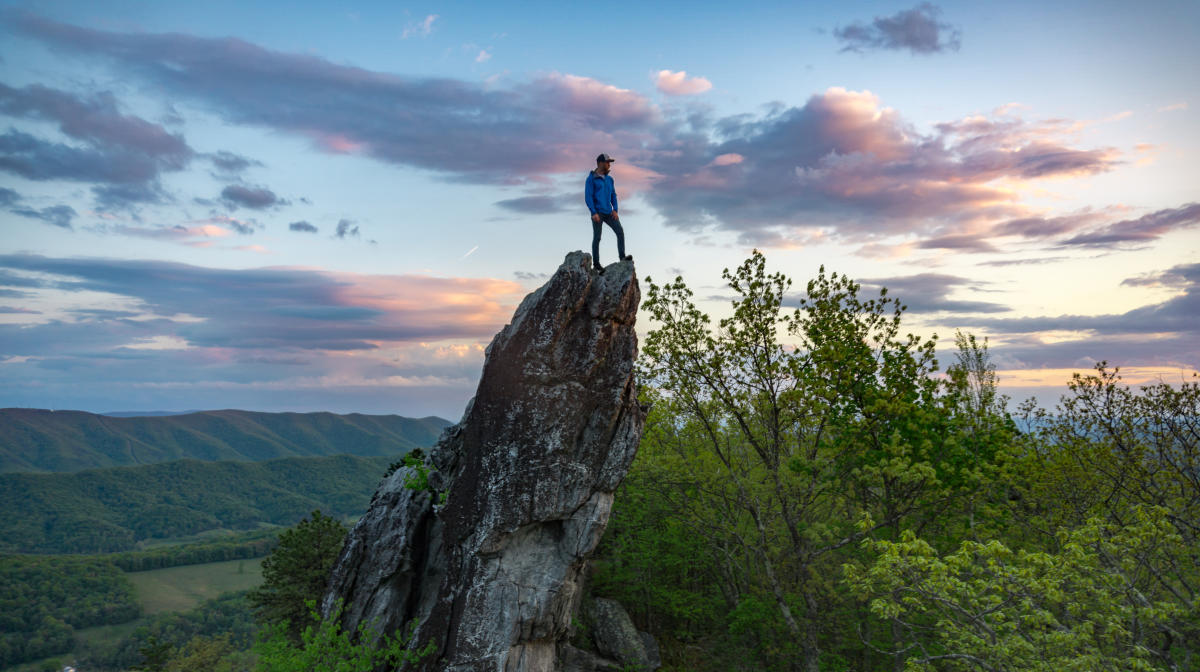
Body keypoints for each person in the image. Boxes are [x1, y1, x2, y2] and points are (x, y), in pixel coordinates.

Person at [584, 153, 630, 272]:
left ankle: (622, 257)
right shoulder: (591, 179)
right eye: (607, 162)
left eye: (610, 162)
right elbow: (588, 197)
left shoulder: (610, 179)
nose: (609, 164)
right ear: (600, 163)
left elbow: (613, 195)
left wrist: (615, 209)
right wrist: (593, 212)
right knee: (597, 238)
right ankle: (597, 264)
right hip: (597, 213)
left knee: (620, 232)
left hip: (609, 213)